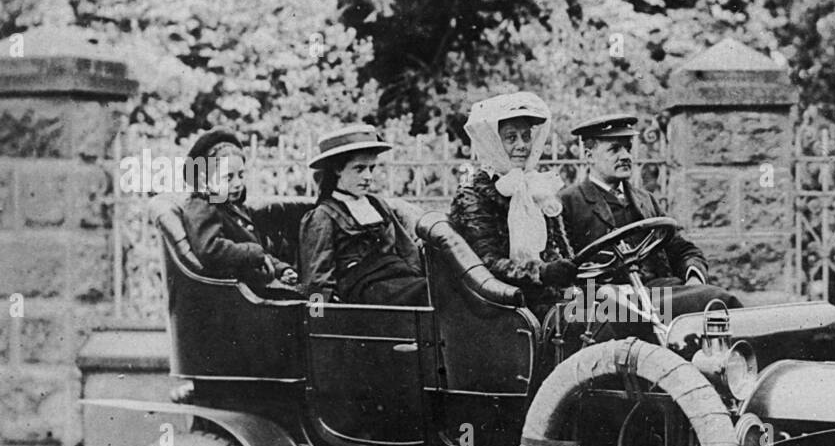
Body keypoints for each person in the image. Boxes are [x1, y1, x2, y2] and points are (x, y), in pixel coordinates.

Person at [559, 113, 739, 318]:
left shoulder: (645, 200)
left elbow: (684, 250)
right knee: (717, 301)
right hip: (610, 307)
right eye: (614, 149)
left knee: (717, 303)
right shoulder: (568, 202)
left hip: (659, 294)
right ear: (589, 156)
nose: (626, 156)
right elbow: (563, 272)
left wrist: (694, 280)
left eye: (627, 148)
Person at [448, 92, 577, 312]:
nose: (522, 146)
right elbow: (485, 262)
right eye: (511, 138)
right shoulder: (473, 194)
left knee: (614, 308)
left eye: (526, 136)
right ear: (492, 143)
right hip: (504, 305)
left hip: (550, 297)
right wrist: (543, 272)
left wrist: (570, 271)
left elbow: (559, 247)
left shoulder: (536, 186)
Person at [298, 125, 428, 306]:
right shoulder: (323, 216)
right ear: (337, 170)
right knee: (424, 294)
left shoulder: (378, 205)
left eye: (371, 168)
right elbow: (316, 277)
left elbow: (408, 250)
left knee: (436, 291)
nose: (368, 176)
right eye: (359, 169)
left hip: (398, 280)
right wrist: (318, 320)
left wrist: (415, 276)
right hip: (362, 292)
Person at [179, 129, 300, 291]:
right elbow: (210, 249)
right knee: (317, 302)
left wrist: (281, 269)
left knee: (318, 297)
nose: (237, 184)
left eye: (241, 175)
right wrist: (251, 252)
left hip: (257, 286)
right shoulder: (202, 205)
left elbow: (259, 252)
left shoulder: (232, 207)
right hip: (238, 294)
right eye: (228, 178)